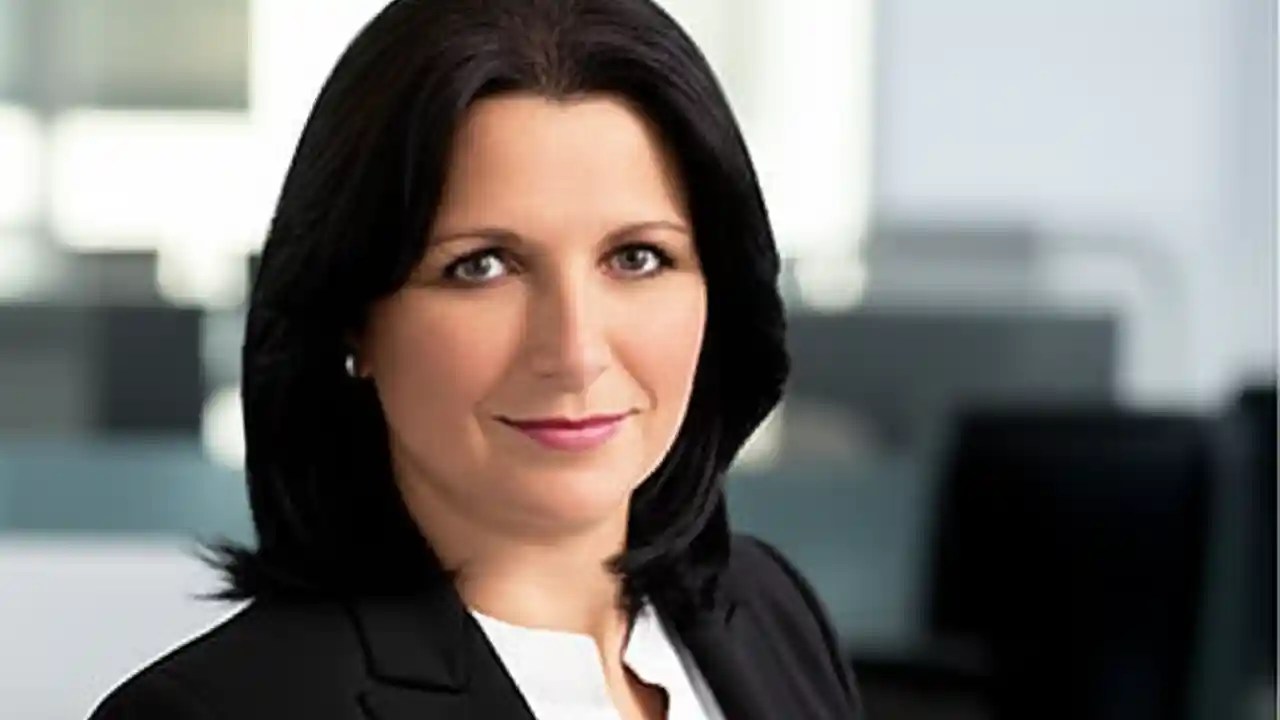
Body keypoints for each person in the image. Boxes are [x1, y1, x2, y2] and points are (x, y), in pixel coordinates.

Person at [88, 0, 863, 718]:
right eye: (482, 266)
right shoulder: (217, 712)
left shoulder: (765, 610)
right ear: (354, 319)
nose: (574, 352)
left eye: (636, 257)